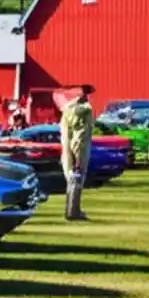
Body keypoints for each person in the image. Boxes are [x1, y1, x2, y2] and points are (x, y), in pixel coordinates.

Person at [59, 85, 95, 220]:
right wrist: (78, 157)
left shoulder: (67, 109)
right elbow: (79, 137)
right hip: (78, 150)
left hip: (66, 148)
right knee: (77, 179)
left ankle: (70, 210)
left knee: (70, 179)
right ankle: (73, 211)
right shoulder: (84, 111)